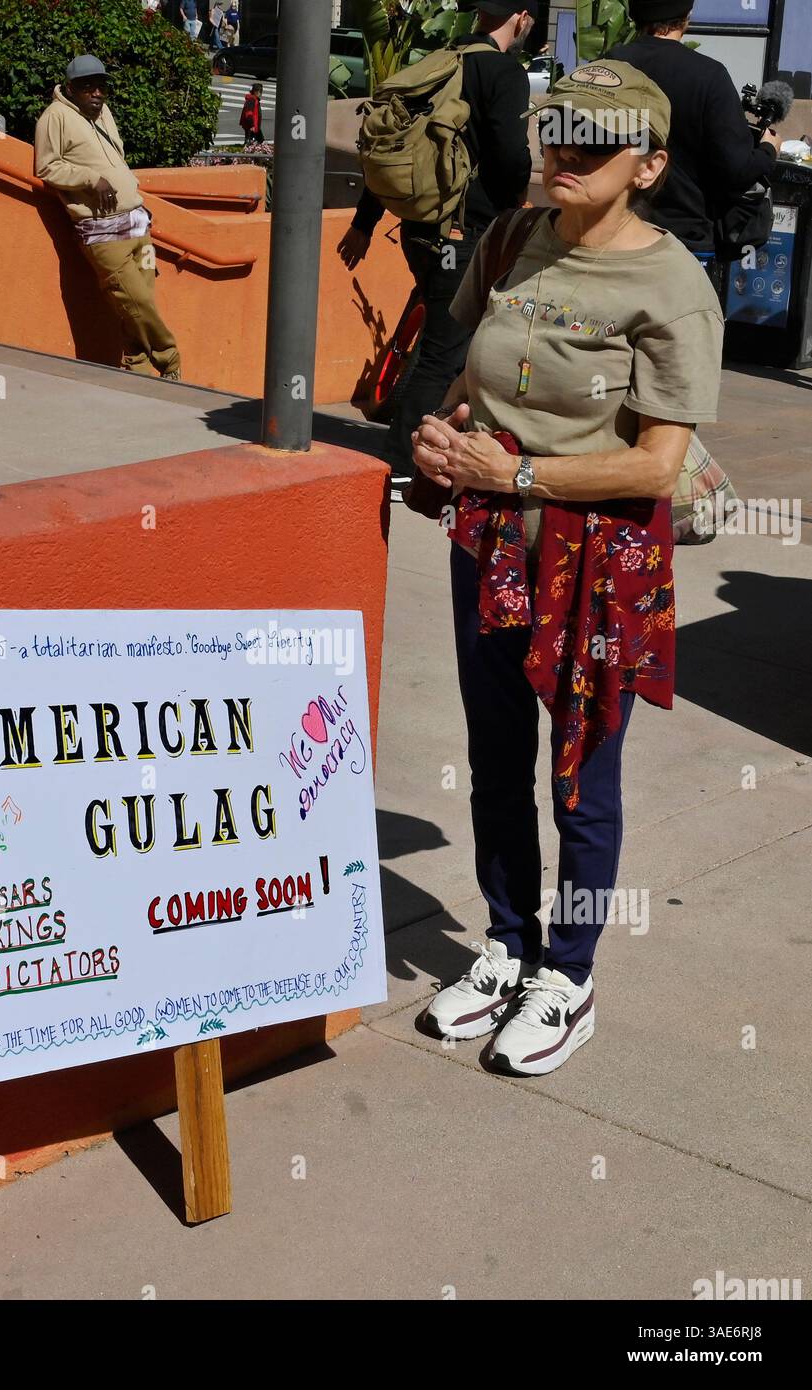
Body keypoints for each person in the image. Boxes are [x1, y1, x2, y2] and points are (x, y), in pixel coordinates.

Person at [419, 62, 724, 1074]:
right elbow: (474, 363)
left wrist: (514, 467)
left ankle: (570, 971)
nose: (562, 156)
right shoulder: (511, 237)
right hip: (494, 538)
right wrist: (448, 431)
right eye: (555, 134)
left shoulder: (671, 287)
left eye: (591, 144)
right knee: (494, 752)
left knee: (581, 773)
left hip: (601, 548)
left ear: (647, 163)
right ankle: (507, 944)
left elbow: (654, 460)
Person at [337, 1, 536, 498]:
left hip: (419, 228)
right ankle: (402, 466)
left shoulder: (440, 63)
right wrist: (517, 204)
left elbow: (397, 142)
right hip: (462, 233)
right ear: (521, 17)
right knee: (445, 352)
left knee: (434, 343)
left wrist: (365, 221)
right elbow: (513, 155)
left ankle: (403, 437)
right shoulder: (503, 73)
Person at [609, 1, 782, 283]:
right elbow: (737, 169)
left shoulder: (608, 66)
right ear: (686, 17)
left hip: (614, 232)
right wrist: (768, 150)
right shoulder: (708, 75)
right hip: (682, 244)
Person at [35, 55, 182, 379]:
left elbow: (118, 159)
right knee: (137, 301)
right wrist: (90, 179)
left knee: (137, 306)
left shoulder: (103, 114)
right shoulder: (54, 117)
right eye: (88, 87)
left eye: (101, 86)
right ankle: (170, 359)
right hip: (103, 233)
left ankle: (139, 373)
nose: (97, 93)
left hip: (137, 226)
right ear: (71, 88)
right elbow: (47, 167)